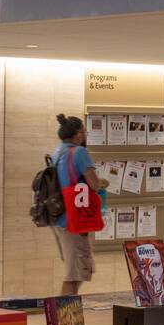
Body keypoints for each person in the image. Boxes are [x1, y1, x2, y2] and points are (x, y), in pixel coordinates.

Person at [50, 113, 108, 295]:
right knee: (74, 275)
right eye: (84, 132)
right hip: (75, 219)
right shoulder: (79, 152)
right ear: (77, 135)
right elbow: (93, 184)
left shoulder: (57, 153)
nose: (85, 136)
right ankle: (65, 319)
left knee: (75, 271)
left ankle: (66, 317)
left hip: (59, 217)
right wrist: (103, 183)